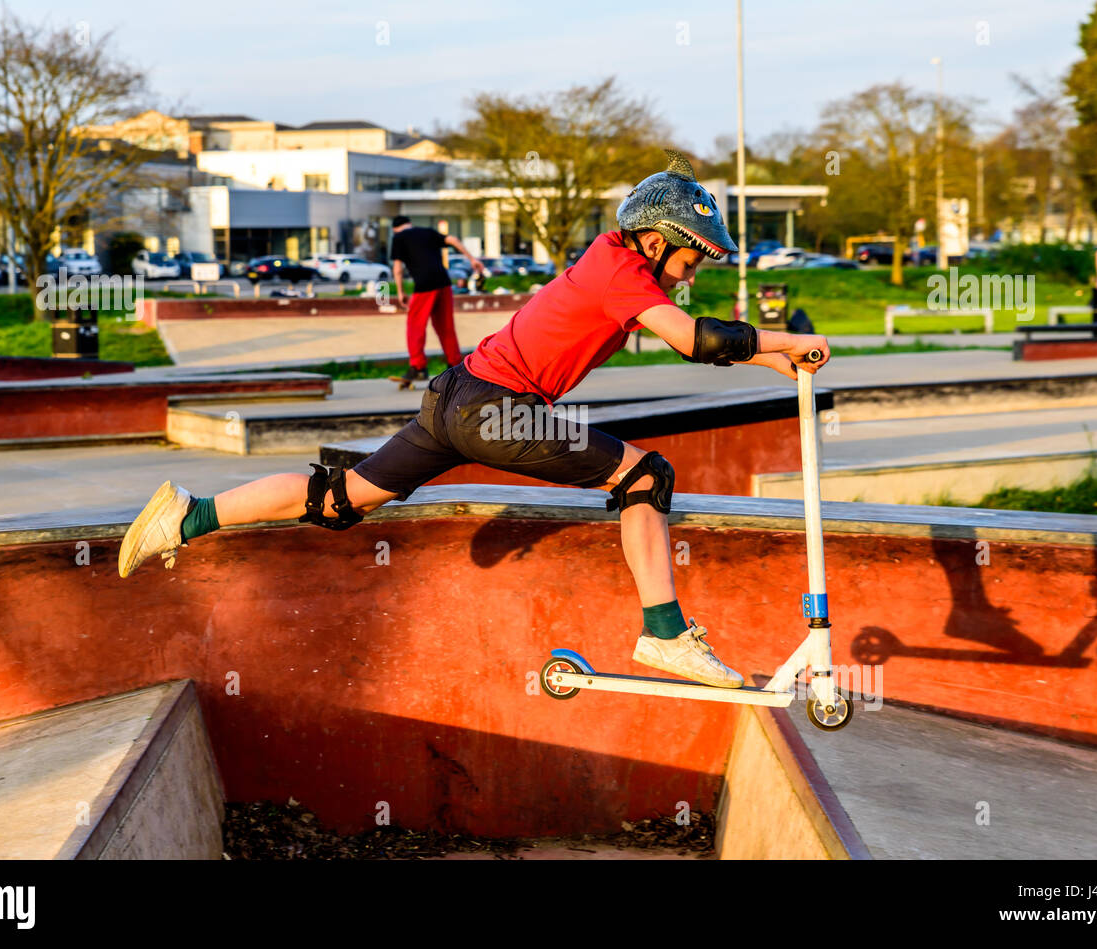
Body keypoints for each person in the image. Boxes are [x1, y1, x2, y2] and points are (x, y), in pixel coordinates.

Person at [117, 151, 830, 689]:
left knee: (339, 497)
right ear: (653, 239)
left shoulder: (618, 269)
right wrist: (785, 341)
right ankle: (664, 632)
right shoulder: (624, 275)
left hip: (454, 396)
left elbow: (698, 344)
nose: (690, 273)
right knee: (644, 474)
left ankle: (186, 514)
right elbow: (692, 339)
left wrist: (775, 363)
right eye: (689, 258)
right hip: (497, 411)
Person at [388, 216, 484, 385]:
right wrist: (472, 259)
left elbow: (397, 269)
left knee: (415, 326)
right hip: (443, 283)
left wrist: (400, 291)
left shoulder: (398, 237)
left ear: (396, 228)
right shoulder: (427, 231)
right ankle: (455, 366)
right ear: (409, 224)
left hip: (425, 285)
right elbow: (453, 239)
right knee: (445, 326)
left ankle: (418, 367)